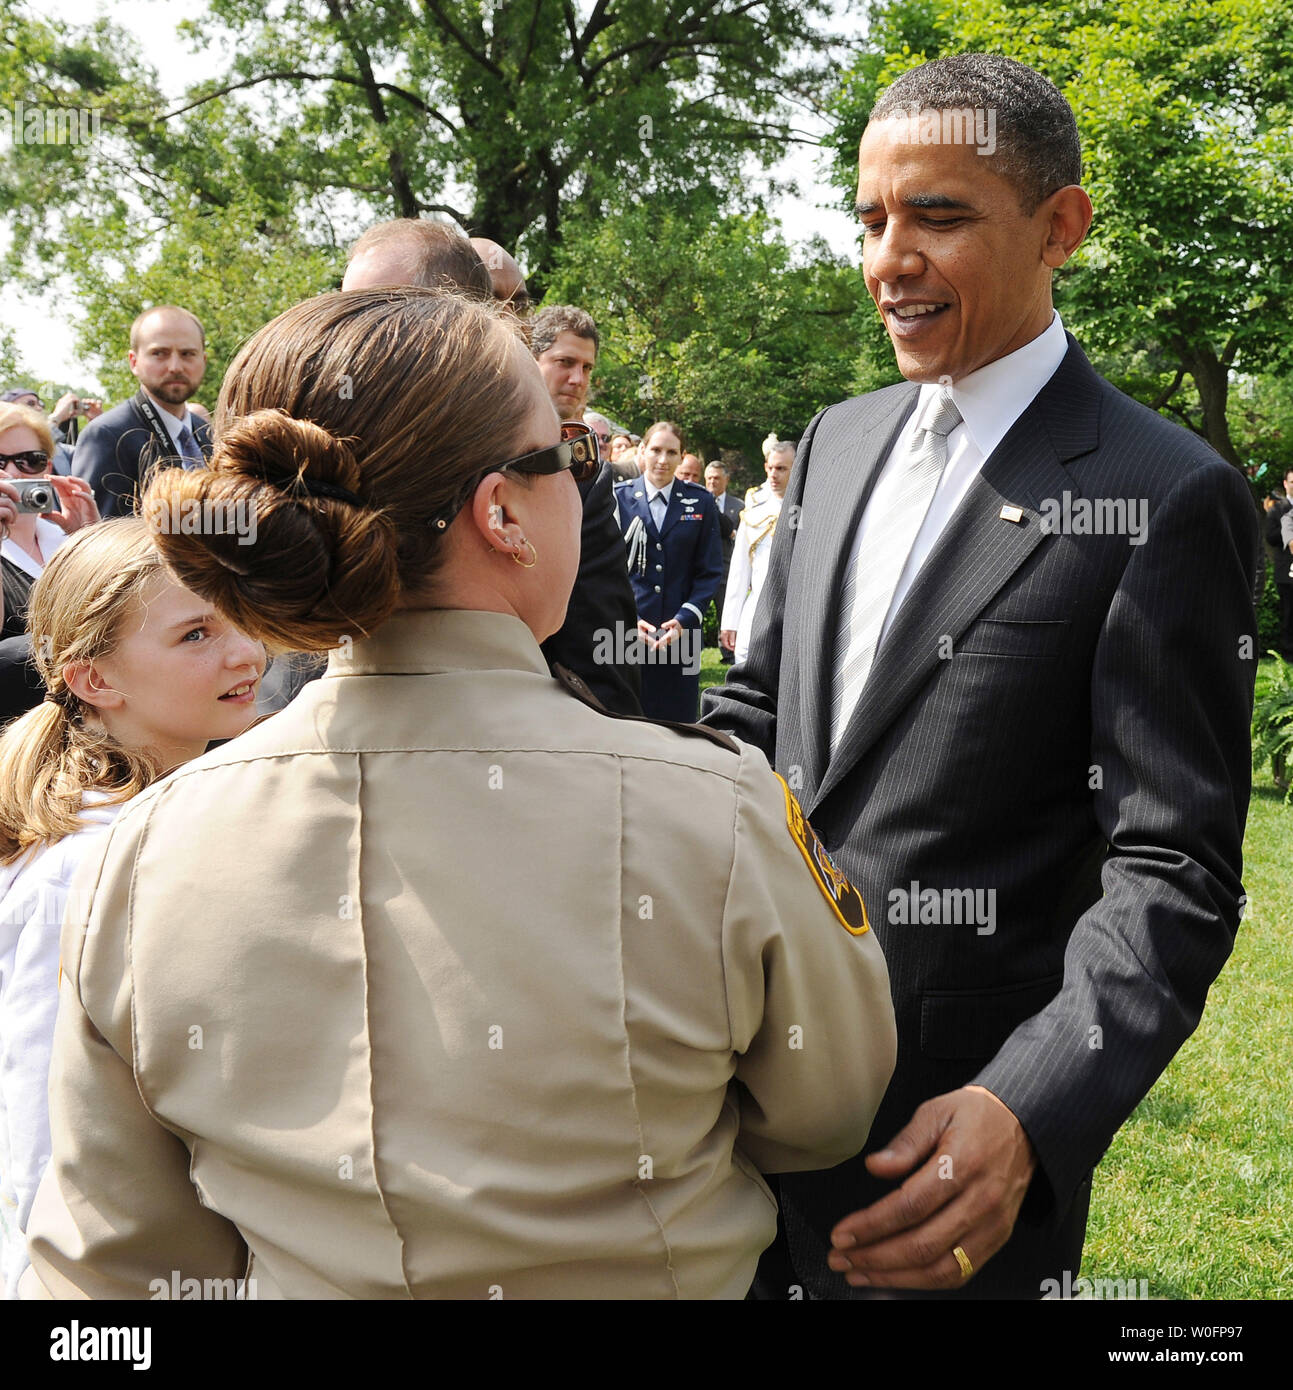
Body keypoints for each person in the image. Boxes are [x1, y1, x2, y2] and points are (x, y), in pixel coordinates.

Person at [20, 287, 896, 1300]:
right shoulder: (713, 812)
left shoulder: (148, 849)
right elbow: (825, 1110)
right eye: (568, 453)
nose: (587, 482)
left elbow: (116, 1256)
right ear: (501, 511)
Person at [702, 52, 1257, 1300]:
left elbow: (1172, 869)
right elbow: (758, 713)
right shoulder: (838, 441)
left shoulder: (1166, 496)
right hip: (731, 1114)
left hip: (942, 1158)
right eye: (871, 219)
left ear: (1062, 225)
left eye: (938, 217)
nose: (888, 259)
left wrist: (1025, 1106)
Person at [0, 517, 265, 1298]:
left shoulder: (152, 817)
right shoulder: (86, 862)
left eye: (240, 613)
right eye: (195, 634)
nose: (246, 651)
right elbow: (41, 1130)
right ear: (95, 680)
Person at [345, 249, 642, 716]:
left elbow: (603, 669)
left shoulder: (573, 478)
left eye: (514, 305)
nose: (499, 322)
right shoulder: (318, 458)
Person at [616, 420, 724, 722]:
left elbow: (709, 571)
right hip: (628, 635)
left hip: (681, 636)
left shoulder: (700, 501)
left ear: (682, 456)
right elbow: (607, 571)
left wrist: (684, 619)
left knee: (678, 726)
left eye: (671, 452)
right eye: (656, 450)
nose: (663, 460)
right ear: (642, 451)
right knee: (628, 723)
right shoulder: (617, 499)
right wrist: (628, 619)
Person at [72, 306, 212, 516]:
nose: (175, 366)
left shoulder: (206, 433)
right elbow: (100, 540)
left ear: (203, 360)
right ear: (134, 362)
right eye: (159, 354)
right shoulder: (107, 435)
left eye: (187, 354)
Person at [0, 402, 101, 641]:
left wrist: (91, 541)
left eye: (30, 460)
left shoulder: (63, 538)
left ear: (47, 467)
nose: (13, 473)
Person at [720, 442, 792, 665]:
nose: (773, 475)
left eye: (781, 469)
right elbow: (740, 569)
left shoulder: (812, 511)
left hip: (794, 610)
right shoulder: (753, 511)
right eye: (770, 468)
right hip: (757, 606)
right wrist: (730, 621)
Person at [1264, 467, 1293, 660]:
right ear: (1285, 483)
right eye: (1292, 482)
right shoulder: (1277, 509)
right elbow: (1271, 537)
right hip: (1286, 571)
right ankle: (1289, 654)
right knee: (1289, 615)